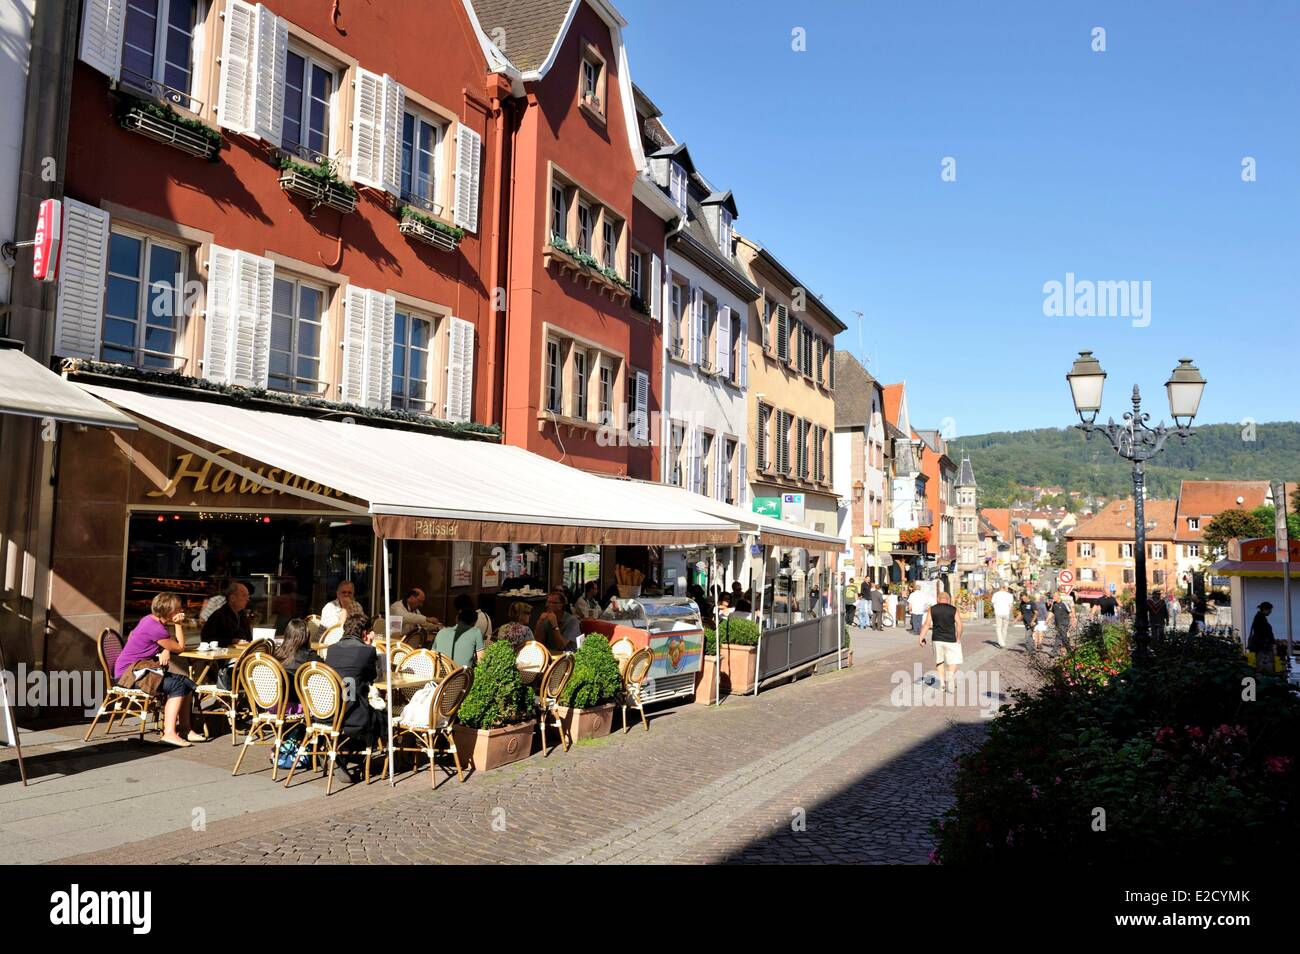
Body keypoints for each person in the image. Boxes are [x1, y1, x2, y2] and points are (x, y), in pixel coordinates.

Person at [114, 593, 204, 747]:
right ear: (170, 612)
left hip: (134, 669)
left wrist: (165, 649)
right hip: (129, 674)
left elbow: (134, 637)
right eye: (178, 608)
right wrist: (178, 625)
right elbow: (180, 647)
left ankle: (185, 729)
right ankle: (169, 733)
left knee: (186, 682)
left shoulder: (149, 619)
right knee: (177, 685)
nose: (182, 610)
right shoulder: (157, 628)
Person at [324, 613, 381, 785]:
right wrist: (370, 648)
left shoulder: (331, 649)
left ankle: (337, 752)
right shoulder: (367, 650)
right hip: (352, 714)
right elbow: (373, 678)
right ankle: (349, 757)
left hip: (327, 711)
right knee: (381, 718)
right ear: (364, 632)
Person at [918, 590, 964, 694]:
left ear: (938, 600)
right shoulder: (953, 609)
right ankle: (951, 675)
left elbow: (926, 624)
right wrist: (958, 637)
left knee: (939, 661)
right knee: (953, 661)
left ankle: (942, 684)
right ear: (949, 600)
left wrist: (921, 637)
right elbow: (960, 625)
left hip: (937, 639)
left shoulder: (932, 609)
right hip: (951, 639)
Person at [273, 618, 322, 710]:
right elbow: (328, 676)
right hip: (298, 704)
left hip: (274, 704)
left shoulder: (276, 655)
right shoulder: (310, 657)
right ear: (306, 636)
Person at [536, 588, 581, 654]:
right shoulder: (546, 619)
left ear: (561, 605)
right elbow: (538, 643)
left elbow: (561, 646)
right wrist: (539, 623)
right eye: (548, 602)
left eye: (552, 603)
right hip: (550, 655)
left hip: (568, 657)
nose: (548, 605)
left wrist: (555, 625)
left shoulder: (572, 621)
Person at [1247, 601, 1276, 674]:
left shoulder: (1260, 617)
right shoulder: (1260, 618)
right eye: (1269, 610)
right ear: (1264, 609)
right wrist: (1269, 641)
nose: (1270, 612)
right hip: (1262, 647)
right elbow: (1263, 632)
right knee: (1264, 665)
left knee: (1262, 664)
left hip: (1261, 646)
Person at [990, 583, 1014, 648]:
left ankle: (1001, 642)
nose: (1007, 589)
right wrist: (1010, 612)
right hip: (1006, 613)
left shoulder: (995, 594)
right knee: (1005, 628)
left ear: (1000, 588)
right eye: (1006, 588)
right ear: (1004, 588)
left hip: (998, 612)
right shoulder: (1009, 595)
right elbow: (1011, 605)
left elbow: (992, 603)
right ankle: (1003, 641)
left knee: (998, 628)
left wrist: (995, 608)